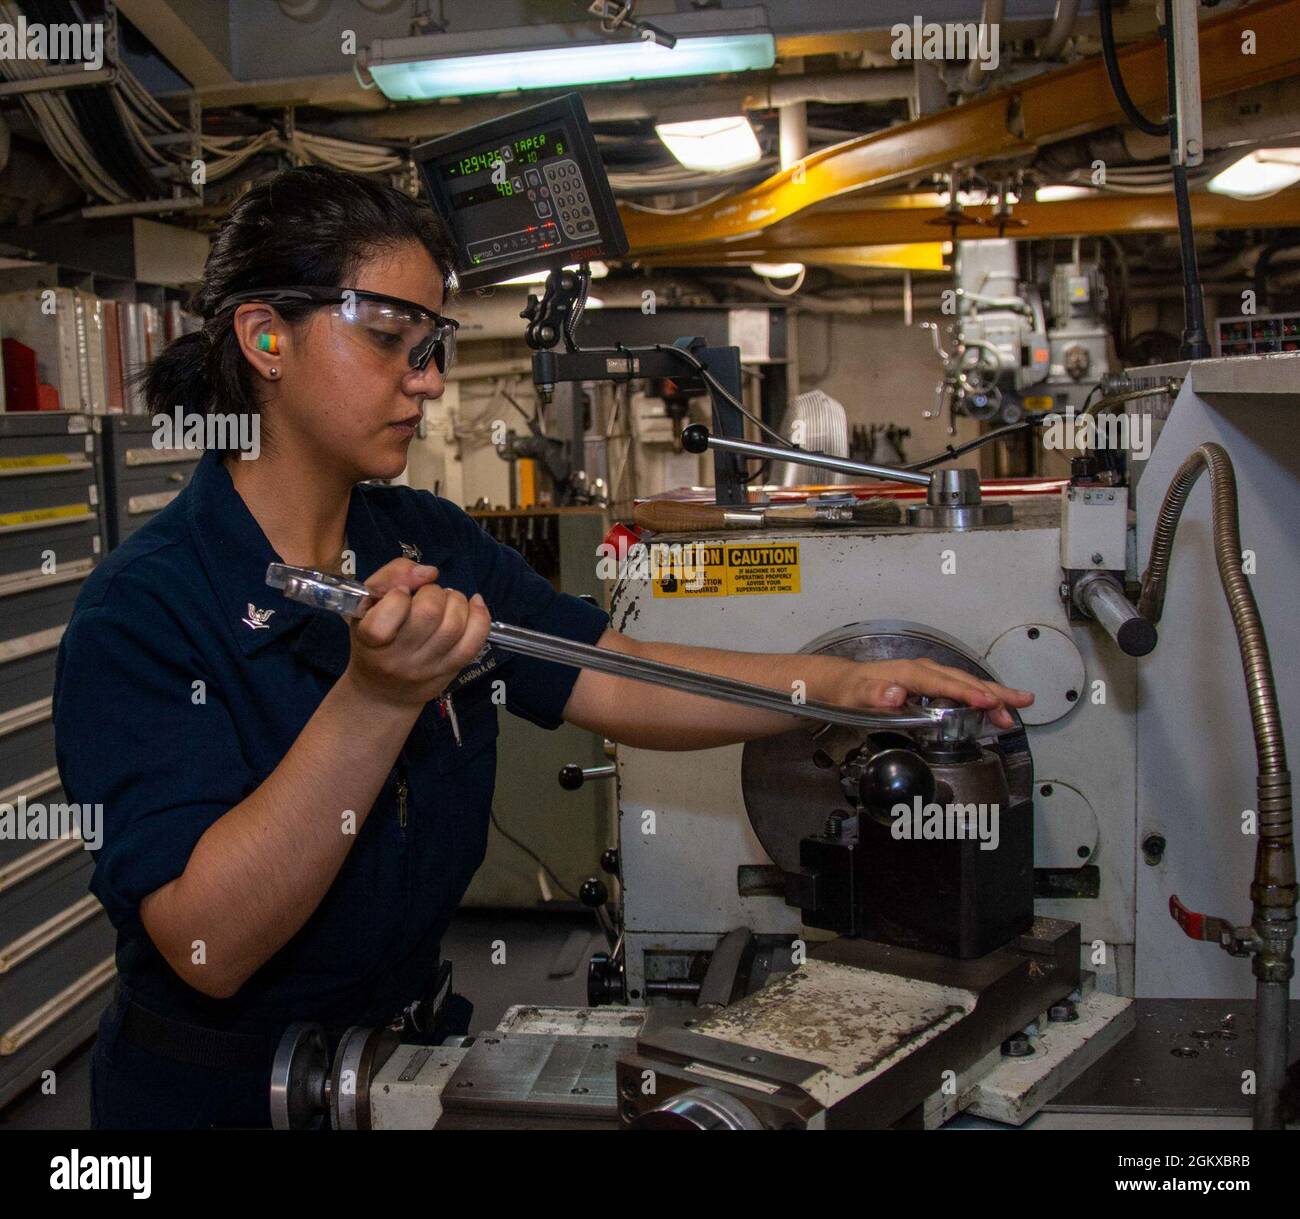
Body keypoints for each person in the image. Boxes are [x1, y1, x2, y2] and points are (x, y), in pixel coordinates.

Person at [53, 165, 1033, 1129]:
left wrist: (840, 686)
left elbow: (616, 678)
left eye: (431, 344)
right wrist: (374, 702)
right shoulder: (144, 612)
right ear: (266, 337)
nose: (429, 381)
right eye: (392, 338)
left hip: (399, 1061)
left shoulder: (424, 540)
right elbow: (205, 944)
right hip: (219, 1099)